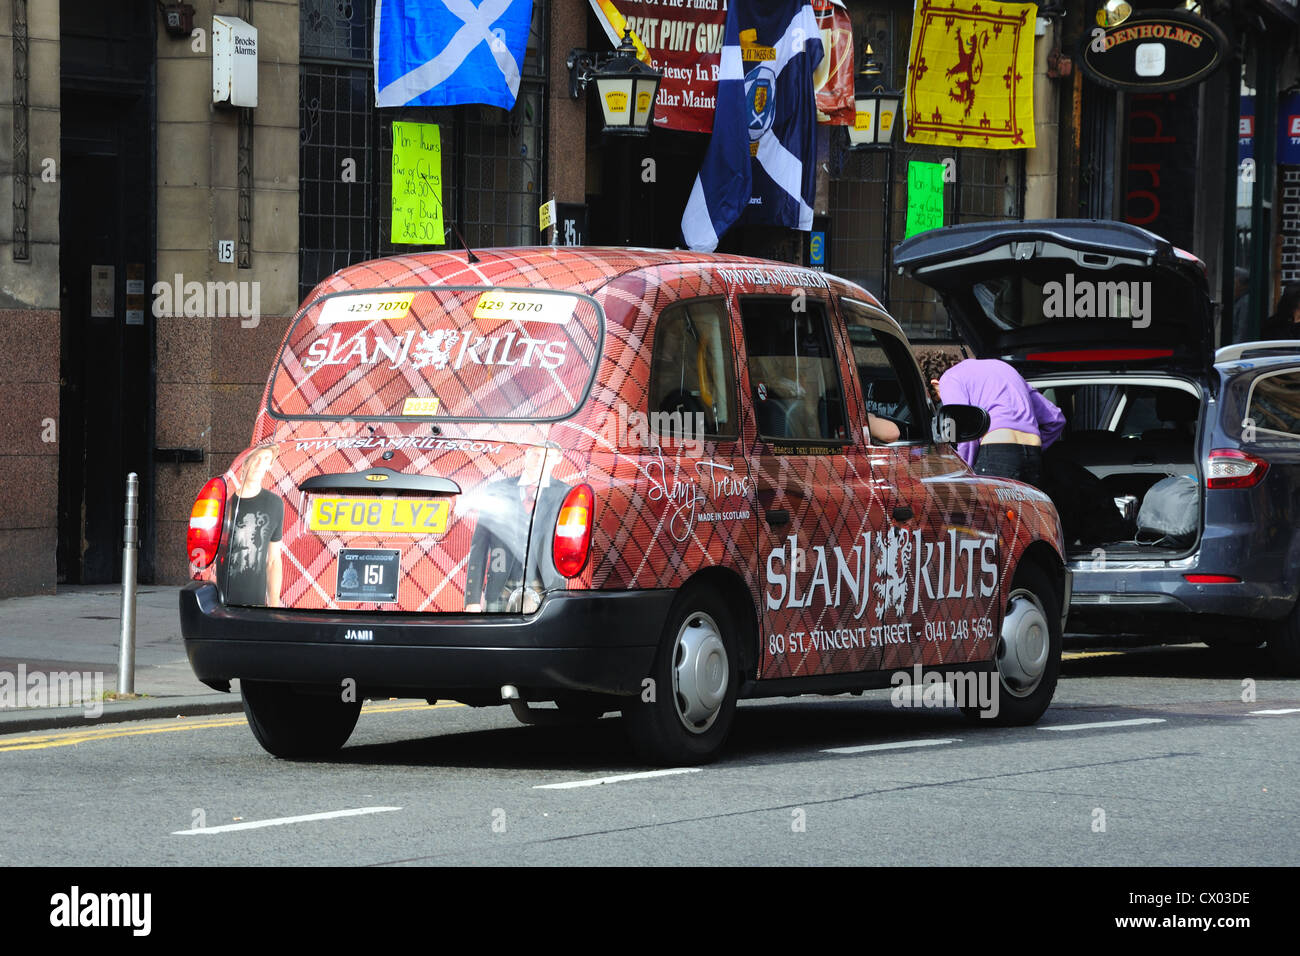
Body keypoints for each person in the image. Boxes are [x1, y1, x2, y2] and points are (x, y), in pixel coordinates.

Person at [919, 353, 1064, 489]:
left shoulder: (949, 378)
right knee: (1026, 515)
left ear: (934, 384)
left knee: (990, 515)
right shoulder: (1005, 369)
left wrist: (963, 472)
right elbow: (1055, 419)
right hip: (1033, 453)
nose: (942, 401)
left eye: (939, 398)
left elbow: (964, 432)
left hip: (996, 452)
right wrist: (1030, 448)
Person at [464, 443, 572, 613]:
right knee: (491, 639)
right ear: (526, 456)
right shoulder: (497, 489)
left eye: (547, 457)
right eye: (536, 454)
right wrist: (472, 599)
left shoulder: (566, 494)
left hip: (548, 590)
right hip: (500, 587)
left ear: (558, 460)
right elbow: (480, 546)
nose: (539, 461)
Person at [216, 443, 284, 607]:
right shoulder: (224, 502)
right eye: (256, 458)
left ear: (269, 465)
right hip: (223, 600)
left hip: (257, 602)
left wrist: (274, 602)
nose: (260, 463)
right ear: (245, 463)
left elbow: (273, 560)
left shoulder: (275, 503)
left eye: (266, 459)